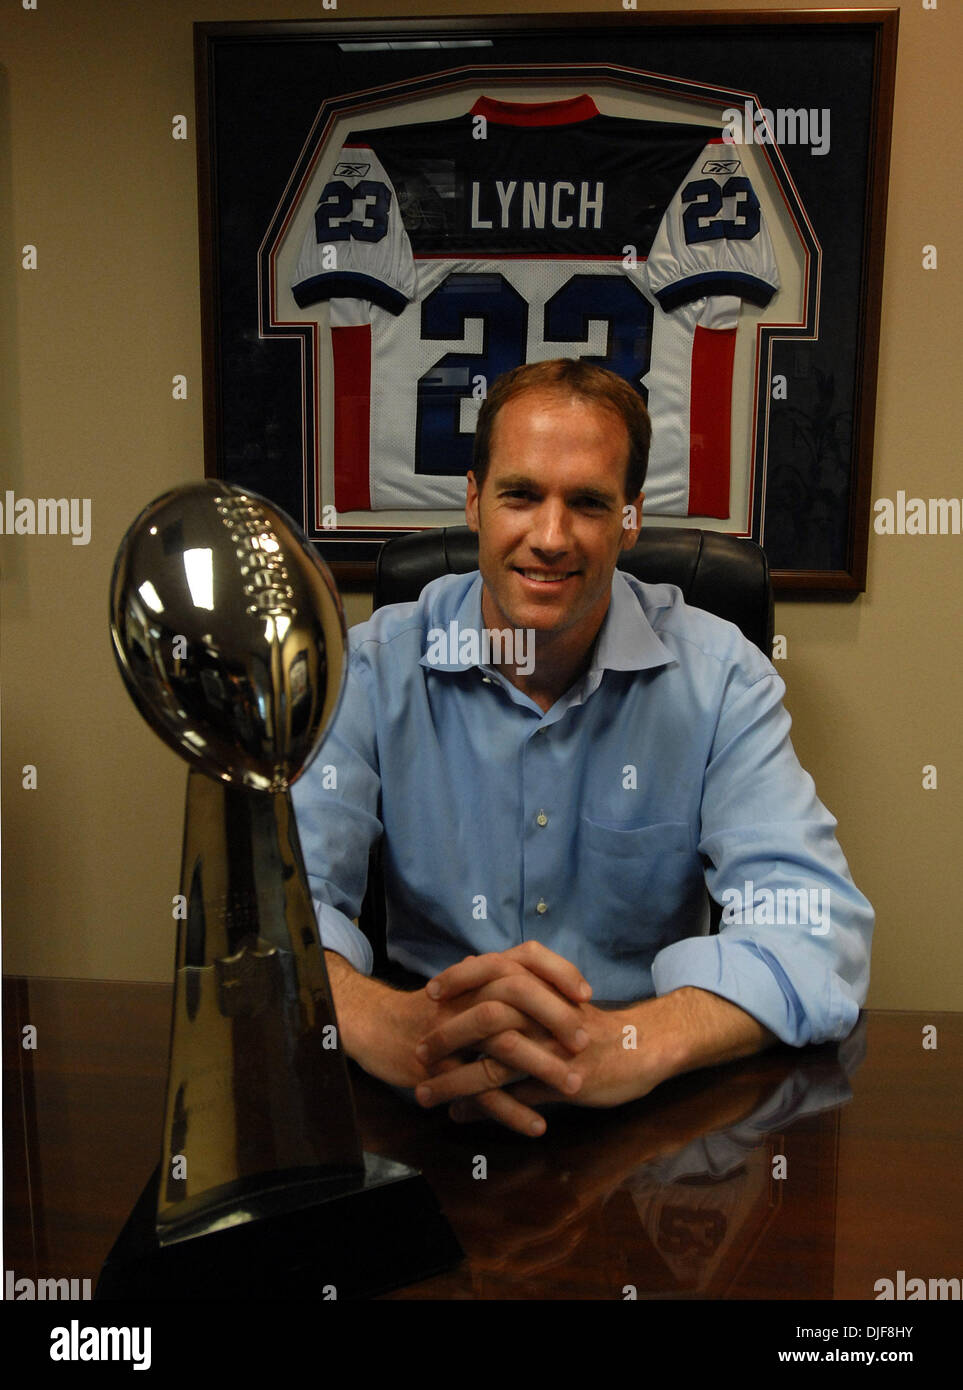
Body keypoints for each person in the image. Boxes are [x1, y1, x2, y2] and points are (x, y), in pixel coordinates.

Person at [292, 358, 873, 1137]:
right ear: (473, 501)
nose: (550, 537)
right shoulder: (369, 669)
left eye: (589, 503)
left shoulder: (720, 679)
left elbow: (814, 928)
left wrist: (632, 1042)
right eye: (520, 495)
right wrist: (380, 1022)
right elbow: (272, 911)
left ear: (629, 519)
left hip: (646, 1108)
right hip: (426, 1089)